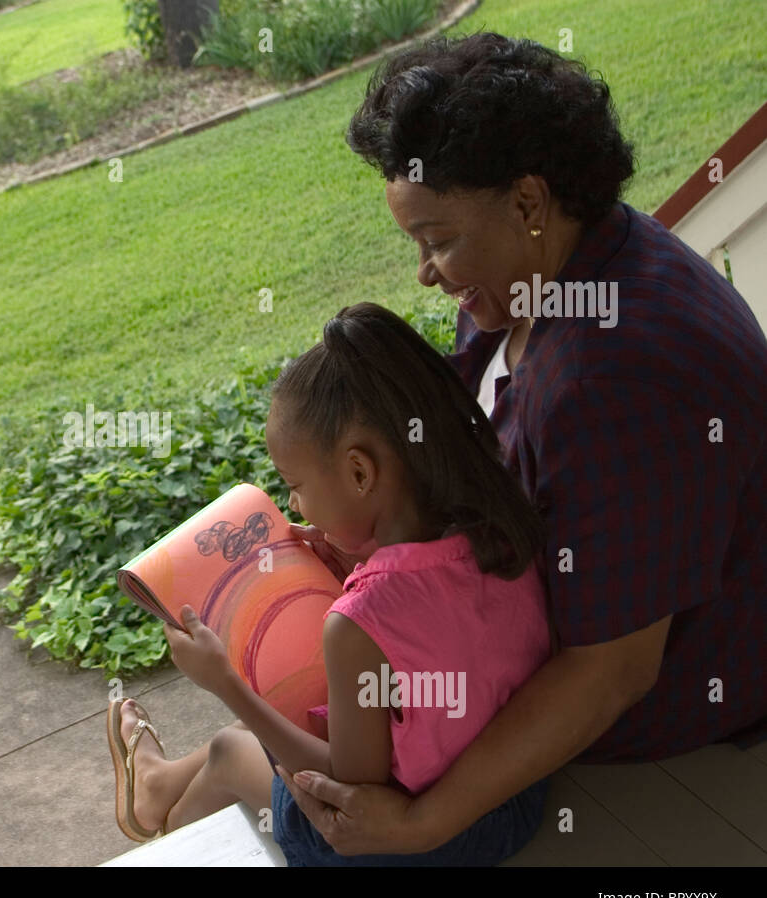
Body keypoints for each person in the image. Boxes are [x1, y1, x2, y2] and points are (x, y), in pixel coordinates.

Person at [278, 31, 767, 856]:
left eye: (437, 241)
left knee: (302, 797)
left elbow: (612, 671)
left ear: (529, 203)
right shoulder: (556, 267)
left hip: (651, 717)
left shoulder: (616, 382)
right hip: (513, 640)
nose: (425, 275)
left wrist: (425, 820)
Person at [109, 303, 554, 865]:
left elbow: (349, 794)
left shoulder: (357, 625)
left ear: (360, 472)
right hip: (510, 800)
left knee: (229, 748)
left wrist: (223, 682)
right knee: (245, 740)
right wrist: (364, 555)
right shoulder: (501, 525)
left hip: (405, 847)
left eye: (295, 484)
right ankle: (159, 784)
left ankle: (166, 826)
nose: (293, 504)